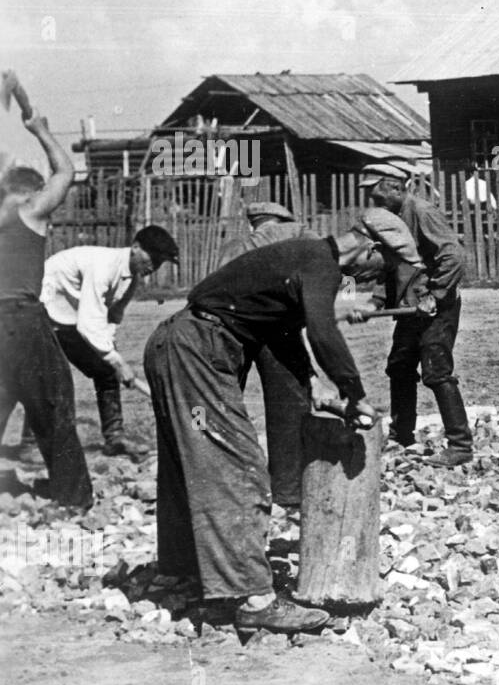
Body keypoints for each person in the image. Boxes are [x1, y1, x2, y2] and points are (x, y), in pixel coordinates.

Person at [143, 231, 379, 633]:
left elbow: (282, 337)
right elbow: (323, 333)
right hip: (195, 357)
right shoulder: (322, 261)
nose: (372, 276)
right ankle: (256, 599)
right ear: (370, 248)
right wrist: (355, 393)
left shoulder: (296, 258)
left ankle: (182, 571)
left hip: (175, 347)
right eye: (381, 265)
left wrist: (314, 386)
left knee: (194, 456)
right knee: (238, 468)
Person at [0, 82, 93, 508]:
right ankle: (73, 498)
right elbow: (66, 173)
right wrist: (38, 129)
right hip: (20, 321)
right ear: (27, 191)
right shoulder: (29, 210)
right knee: (55, 404)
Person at [361, 167, 473, 465]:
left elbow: (454, 256)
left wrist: (435, 295)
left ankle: (460, 446)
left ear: (396, 189)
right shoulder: (390, 221)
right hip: (411, 309)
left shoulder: (423, 212)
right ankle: (401, 437)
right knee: (399, 367)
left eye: (377, 197)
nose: (373, 204)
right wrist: (374, 302)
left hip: (437, 308)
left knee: (436, 370)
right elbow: (390, 266)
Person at [35, 228, 180, 458]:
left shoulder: (131, 278)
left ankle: (115, 438)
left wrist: (112, 354)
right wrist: (118, 361)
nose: (154, 266)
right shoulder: (104, 265)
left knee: (106, 371)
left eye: (160, 261)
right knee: (46, 378)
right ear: (135, 248)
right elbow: (89, 323)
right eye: (152, 257)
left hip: (72, 315)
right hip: (42, 309)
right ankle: (26, 444)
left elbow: (112, 316)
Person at [216, 201, 318, 506]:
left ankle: (224, 483)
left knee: (220, 400)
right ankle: (288, 489)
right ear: (282, 219)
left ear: (253, 223)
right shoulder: (296, 231)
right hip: (277, 325)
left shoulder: (232, 247)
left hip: (231, 326)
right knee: (290, 401)